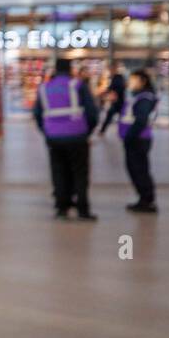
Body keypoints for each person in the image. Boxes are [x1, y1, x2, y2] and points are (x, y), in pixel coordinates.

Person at [33, 57, 99, 221]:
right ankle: (83, 210)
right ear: (70, 70)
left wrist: (46, 131)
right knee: (80, 172)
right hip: (77, 136)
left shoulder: (44, 88)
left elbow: (37, 114)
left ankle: (62, 209)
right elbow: (92, 113)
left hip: (54, 137)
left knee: (59, 171)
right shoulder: (77, 85)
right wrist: (87, 131)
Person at [120, 69, 158, 213]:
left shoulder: (145, 97)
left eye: (133, 79)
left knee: (139, 169)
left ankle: (147, 200)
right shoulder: (138, 96)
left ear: (142, 81)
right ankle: (144, 199)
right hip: (135, 138)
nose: (130, 82)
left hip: (138, 138)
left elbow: (141, 119)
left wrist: (130, 135)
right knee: (135, 168)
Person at [98, 65, 127, 135]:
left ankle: (102, 131)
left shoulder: (116, 78)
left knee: (111, 116)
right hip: (120, 101)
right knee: (118, 117)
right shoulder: (119, 78)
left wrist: (108, 92)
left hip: (117, 102)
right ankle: (123, 131)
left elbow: (113, 88)